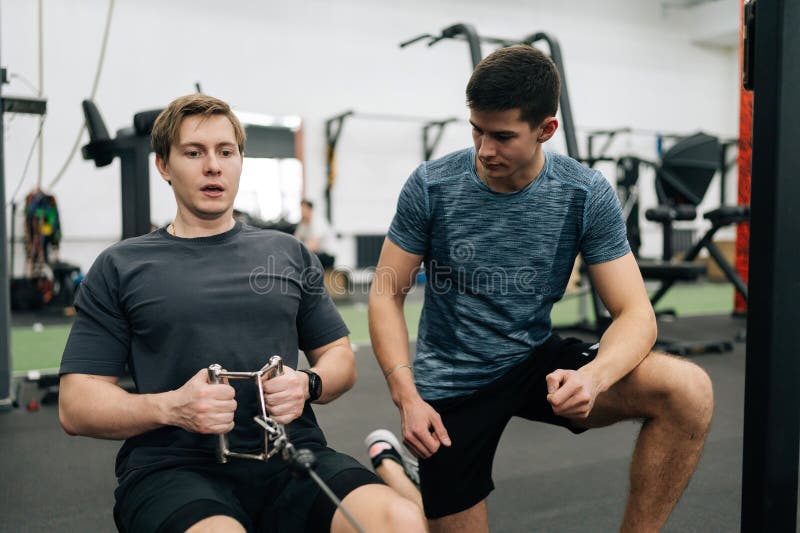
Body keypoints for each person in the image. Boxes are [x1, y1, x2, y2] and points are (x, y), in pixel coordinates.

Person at [367, 45, 714, 533]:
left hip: (534, 360)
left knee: (687, 391)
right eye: (476, 130)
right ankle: (393, 465)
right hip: (452, 383)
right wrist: (406, 395)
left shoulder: (584, 193)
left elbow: (636, 313)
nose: (485, 150)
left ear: (545, 130)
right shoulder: (431, 185)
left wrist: (592, 378)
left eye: (503, 136)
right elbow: (386, 292)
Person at [58, 94, 425, 533]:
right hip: (173, 469)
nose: (213, 166)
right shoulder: (120, 266)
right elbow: (76, 405)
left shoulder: (287, 253)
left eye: (225, 152)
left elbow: (340, 359)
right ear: (163, 166)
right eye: (194, 153)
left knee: (401, 522)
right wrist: (173, 407)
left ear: (239, 160)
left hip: (290, 457)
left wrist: (309, 383)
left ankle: (391, 469)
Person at [295, 199, 336, 270]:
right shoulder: (303, 223)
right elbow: (295, 240)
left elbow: (313, 246)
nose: (301, 212)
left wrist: (297, 251)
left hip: (327, 255)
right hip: (317, 254)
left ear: (309, 209)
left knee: (303, 259)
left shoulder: (318, 221)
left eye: (303, 209)